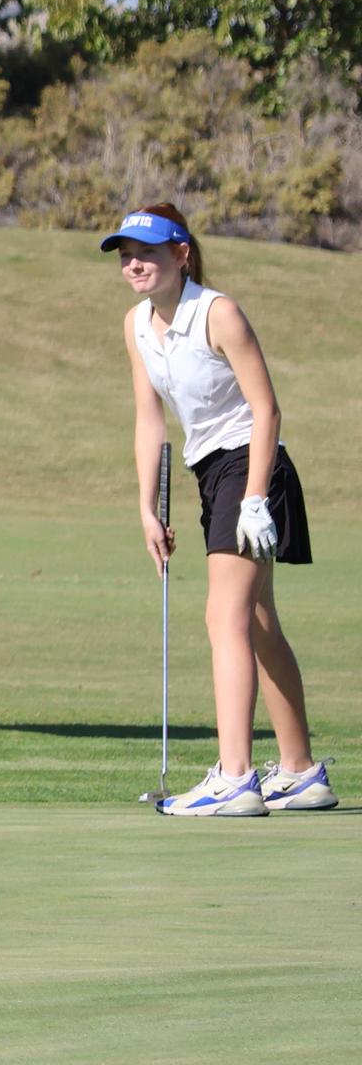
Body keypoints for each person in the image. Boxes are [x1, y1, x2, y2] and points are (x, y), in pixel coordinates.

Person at [105, 203, 336, 816]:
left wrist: (256, 498)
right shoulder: (136, 325)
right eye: (126, 255)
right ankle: (300, 772)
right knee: (257, 621)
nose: (135, 264)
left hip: (252, 466)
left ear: (181, 254)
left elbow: (266, 410)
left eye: (148, 253)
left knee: (224, 616)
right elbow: (150, 419)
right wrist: (147, 508)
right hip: (211, 474)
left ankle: (234, 777)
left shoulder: (217, 312)